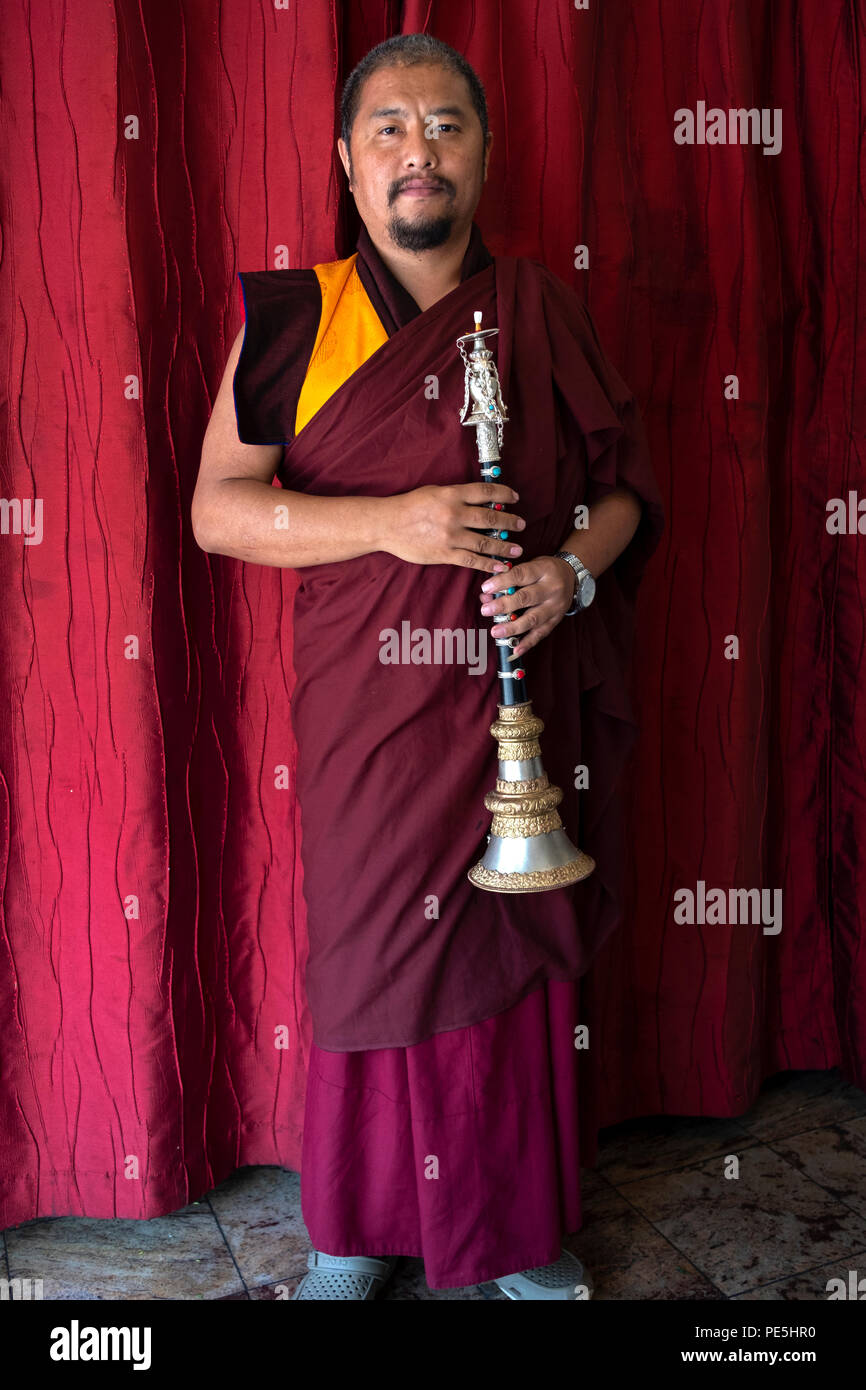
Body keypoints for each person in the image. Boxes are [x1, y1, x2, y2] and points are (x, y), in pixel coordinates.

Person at [192, 33, 665, 1300]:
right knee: (370, 952)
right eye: (390, 129)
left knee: (508, 954)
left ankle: (510, 1235)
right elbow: (221, 512)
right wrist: (390, 522)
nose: (419, 150)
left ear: (483, 155)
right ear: (348, 164)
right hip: (371, 710)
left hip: (518, 701)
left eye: (446, 125)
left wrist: (568, 575)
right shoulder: (292, 317)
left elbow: (621, 495)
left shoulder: (536, 309)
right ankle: (352, 1230)